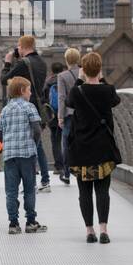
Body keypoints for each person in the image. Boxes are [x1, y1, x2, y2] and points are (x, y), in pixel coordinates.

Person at [65, 51, 120, 244]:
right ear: (100, 69)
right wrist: (102, 78)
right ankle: (103, 229)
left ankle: (89, 231)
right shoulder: (108, 90)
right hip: (103, 148)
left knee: (84, 191)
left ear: (83, 70)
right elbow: (115, 101)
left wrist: (80, 81)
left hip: (82, 148)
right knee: (103, 191)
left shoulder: (77, 92)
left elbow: (69, 103)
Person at [0, 76, 48, 235]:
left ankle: (13, 223)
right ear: (22, 91)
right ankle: (31, 222)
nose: (31, 93)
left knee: (11, 191)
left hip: (10, 156)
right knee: (29, 189)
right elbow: (37, 130)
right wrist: (34, 143)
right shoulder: (29, 107)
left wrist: (9, 143)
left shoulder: (4, 110)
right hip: (27, 155)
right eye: (29, 90)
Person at [1, 35, 51, 192]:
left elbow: (5, 80)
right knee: (38, 145)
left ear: (22, 46)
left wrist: (8, 62)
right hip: (39, 108)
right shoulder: (42, 63)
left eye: (18, 46)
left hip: (25, 108)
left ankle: (34, 182)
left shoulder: (24, 63)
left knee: (31, 147)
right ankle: (45, 180)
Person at [54, 48, 81, 185]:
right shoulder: (85, 73)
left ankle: (66, 173)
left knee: (66, 142)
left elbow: (61, 97)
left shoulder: (62, 76)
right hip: (83, 113)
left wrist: (60, 116)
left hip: (69, 114)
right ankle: (83, 169)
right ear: (78, 59)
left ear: (66, 60)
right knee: (82, 140)